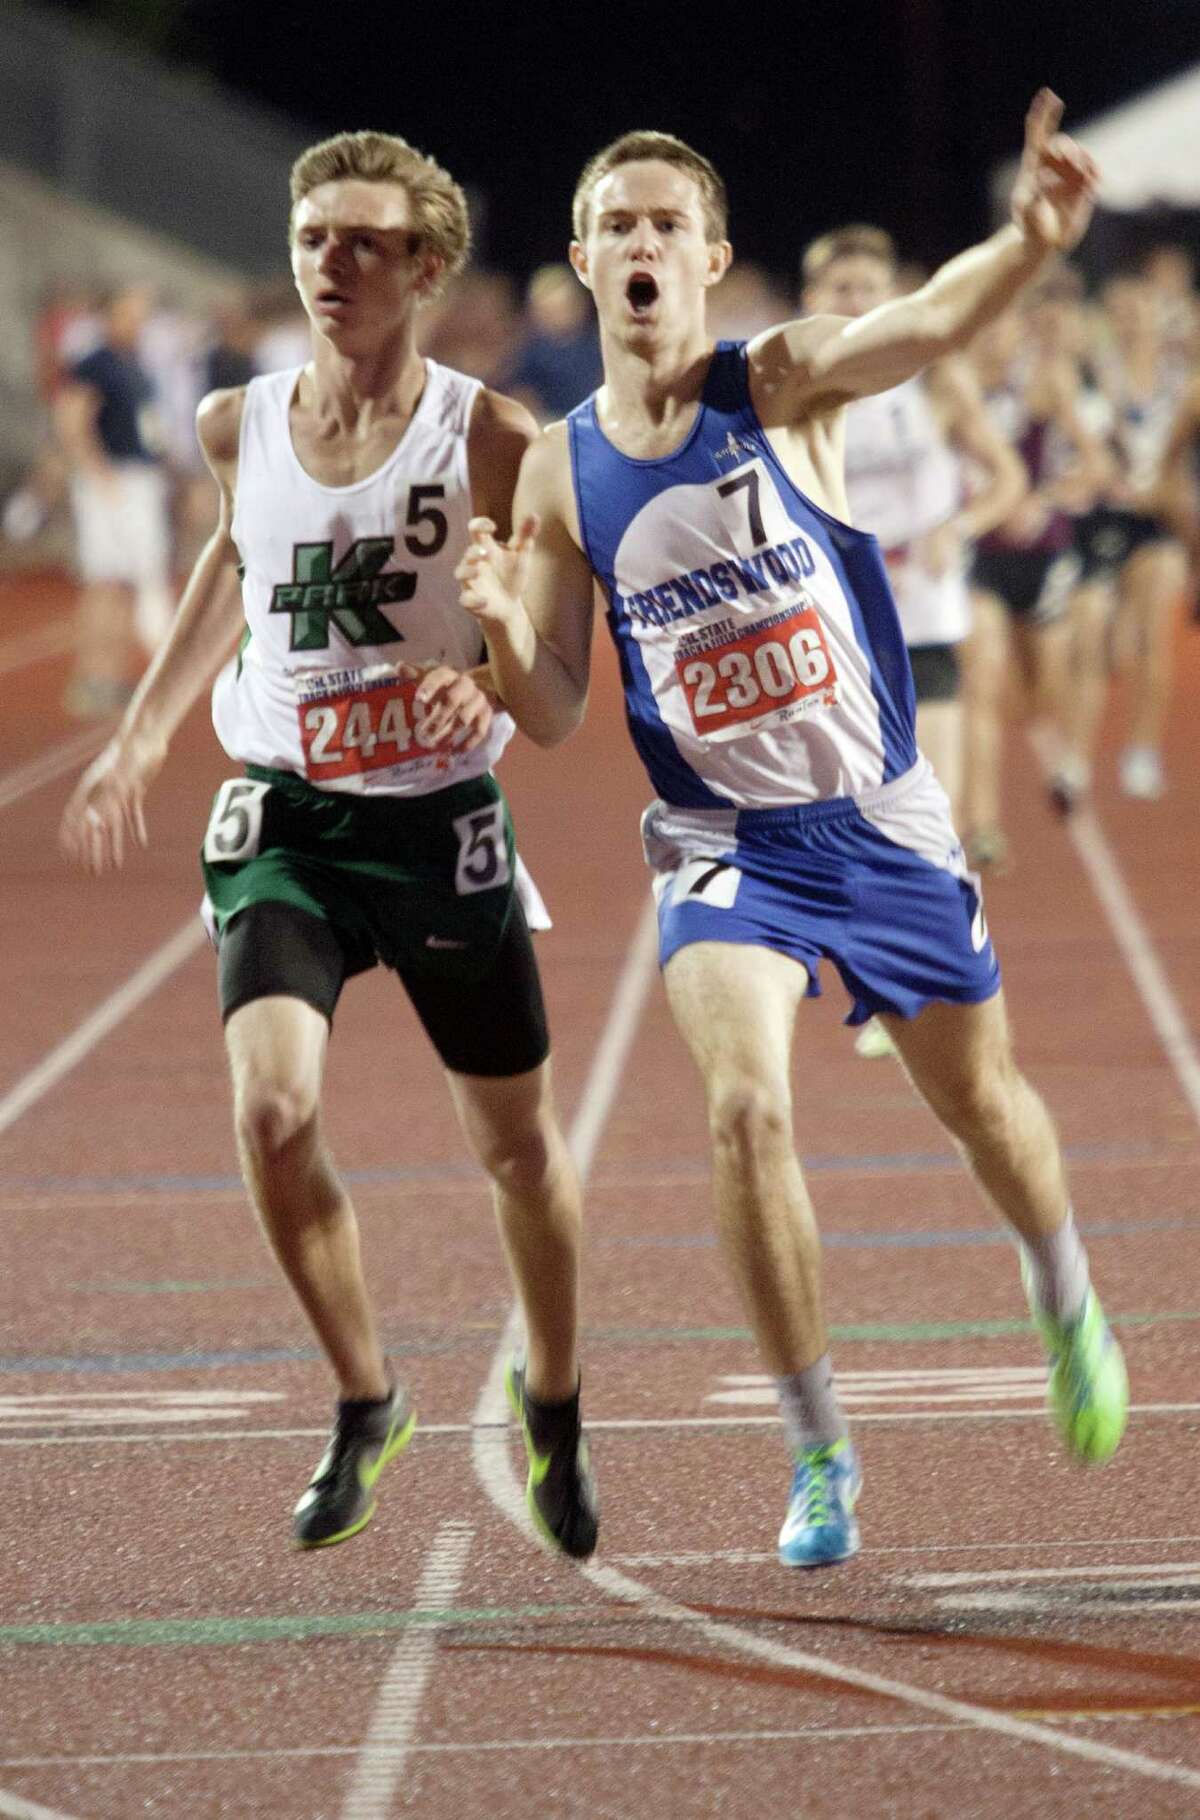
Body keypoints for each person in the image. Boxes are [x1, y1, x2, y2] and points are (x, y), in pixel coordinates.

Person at [457, 93, 1128, 1570]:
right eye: (617, 223)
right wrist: (506, 629)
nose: (642, 243)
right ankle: (819, 1445)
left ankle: (1062, 1284)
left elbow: (928, 326)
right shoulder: (562, 466)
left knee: (988, 1116)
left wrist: (1026, 239)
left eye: (667, 224)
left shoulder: (778, 384)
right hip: (721, 843)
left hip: (880, 821)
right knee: (745, 1110)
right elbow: (557, 709)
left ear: (712, 256)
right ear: (581, 257)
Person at [60, 130, 598, 1561]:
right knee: (270, 1112)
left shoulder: (498, 442)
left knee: (519, 1148)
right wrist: (147, 730)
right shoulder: (239, 421)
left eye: (362, 243)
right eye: (311, 240)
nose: (329, 265)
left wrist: (488, 641)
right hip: (286, 809)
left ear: (427, 266)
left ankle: (553, 1396)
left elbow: (554, 697)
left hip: (436, 823)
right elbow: (234, 560)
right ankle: (368, 1399)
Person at [801, 224, 1026, 1059]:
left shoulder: (932, 382)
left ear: (893, 295)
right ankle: (887, 985)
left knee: (939, 811)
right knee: (852, 812)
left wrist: (957, 528)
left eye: (869, 288)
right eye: (839, 289)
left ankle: (945, 983)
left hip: (926, 617)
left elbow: (1007, 477)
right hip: (837, 624)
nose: (854, 304)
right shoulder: (796, 388)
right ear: (812, 297)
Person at [961, 285, 1104, 856]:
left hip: (1043, 556)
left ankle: (1068, 763)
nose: (997, 337)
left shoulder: (1047, 382)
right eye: (986, 324)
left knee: (1042, 693)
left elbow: (1096, 462)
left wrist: (1044, 500)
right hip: (983, 558)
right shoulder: (956, 385)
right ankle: (985, 825)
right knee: (983, 681)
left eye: (1006, 324)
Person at [1050, 271, 1190, 807]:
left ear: (1160, 317)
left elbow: (1179, 466)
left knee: (1154, 627)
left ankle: (1142, 750)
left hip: (1155, 524)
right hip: (1099, 523)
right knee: (1097, 641)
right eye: (1121, 312)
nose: (1132, 321)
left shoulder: (1182, 381)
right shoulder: (1088, 373)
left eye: (1142, 311)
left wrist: (1169, 495)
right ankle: (1074, 759)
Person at [54, 283, 175, 715]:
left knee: (129, 579)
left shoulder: (133, 362)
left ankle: (113, 676)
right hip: (114, 480)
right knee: (106, 579)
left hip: (137, 478)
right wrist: (100, 477)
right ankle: (92, 676)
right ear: (111, 316)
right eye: (132, 312)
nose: (140, 322)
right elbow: (72, 420)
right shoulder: (94, 364)